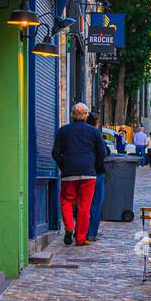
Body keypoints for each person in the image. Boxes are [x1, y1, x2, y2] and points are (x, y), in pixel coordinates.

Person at [52, 103, 108, 247]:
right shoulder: (94, 132)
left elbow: (55, 153)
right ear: (86, 115)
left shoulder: (63, 131)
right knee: (85, 206)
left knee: (66, 201)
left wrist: (64, 166)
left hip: (69, 172)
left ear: (72, 115)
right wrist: (93, 166)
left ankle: (69, 227)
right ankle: (81, 238)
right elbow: (102, 153)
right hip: (88, 173)